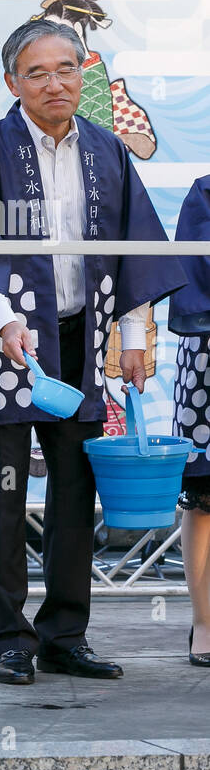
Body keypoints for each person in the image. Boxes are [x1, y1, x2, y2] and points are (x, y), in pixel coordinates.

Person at [0, 19, 185, 685]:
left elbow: (134, 249)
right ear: (12, 82)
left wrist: (132, 340)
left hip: (78, 342)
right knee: (1, 498)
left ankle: (65, 634)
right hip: (0, 347)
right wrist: (4, 320)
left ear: (84, 72)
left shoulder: (107, 150)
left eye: (66, 69)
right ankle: (10, 640)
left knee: (77, 493)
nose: (54, 84)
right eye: (37, 73)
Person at [169, 178, 210, 667]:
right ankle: (205, 623)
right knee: (204, 497)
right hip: (208, 352)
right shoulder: (205, 193)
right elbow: (194, 271)